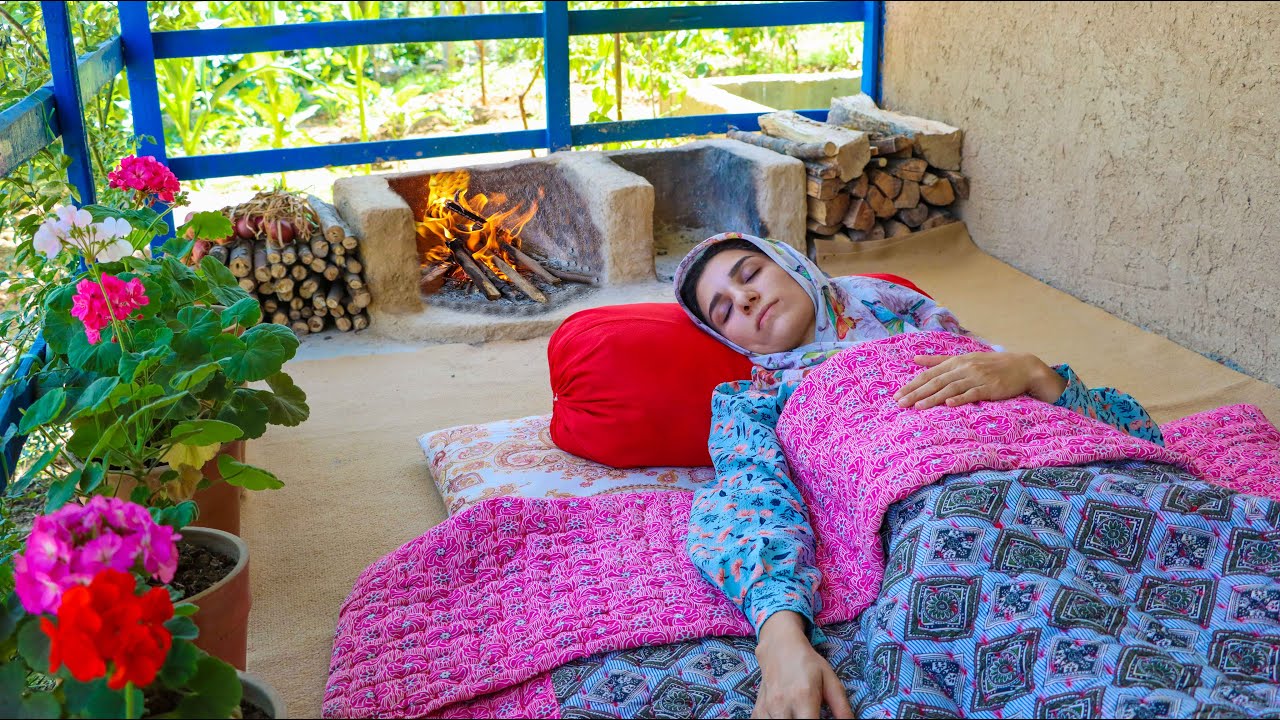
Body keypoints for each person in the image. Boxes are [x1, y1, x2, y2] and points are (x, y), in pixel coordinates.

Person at [673, 232, 1164, 719]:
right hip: (950, 521)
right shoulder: (754, 401)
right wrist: (779, 638)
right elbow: (752, 498)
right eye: (725, 310)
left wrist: (1038, 374)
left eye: (750, 273)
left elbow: (1135, 434)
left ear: (793, 265)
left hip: (1096, 483)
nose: (745, 298)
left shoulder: (948, 341)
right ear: (728, 339)